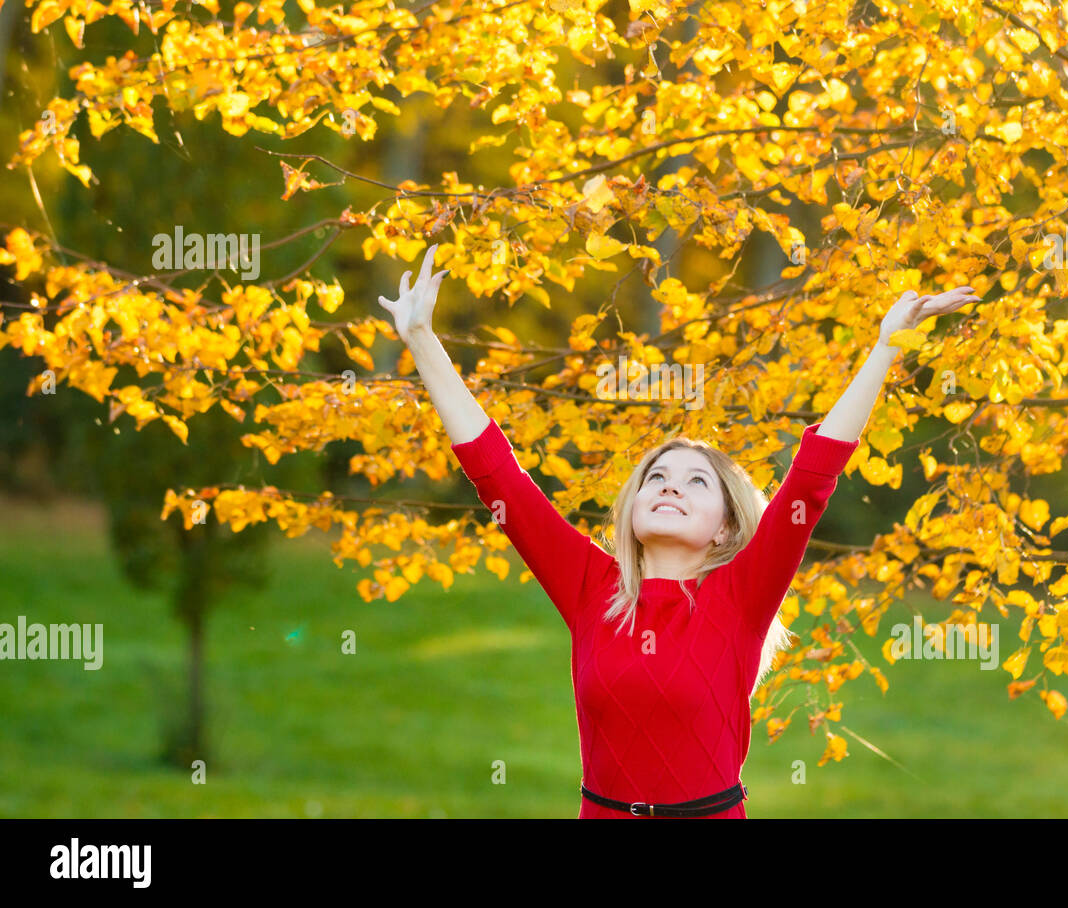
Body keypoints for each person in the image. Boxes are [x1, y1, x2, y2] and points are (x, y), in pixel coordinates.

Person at [379, 244, 979, 817]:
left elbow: (811, 479)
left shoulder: (741, 598)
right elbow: (500, 480)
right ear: (633, 510)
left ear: (725, 528)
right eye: (657, 476)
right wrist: (423, 339)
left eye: (696, 483)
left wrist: (884, 350)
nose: (669, 486)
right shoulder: (592, 588)